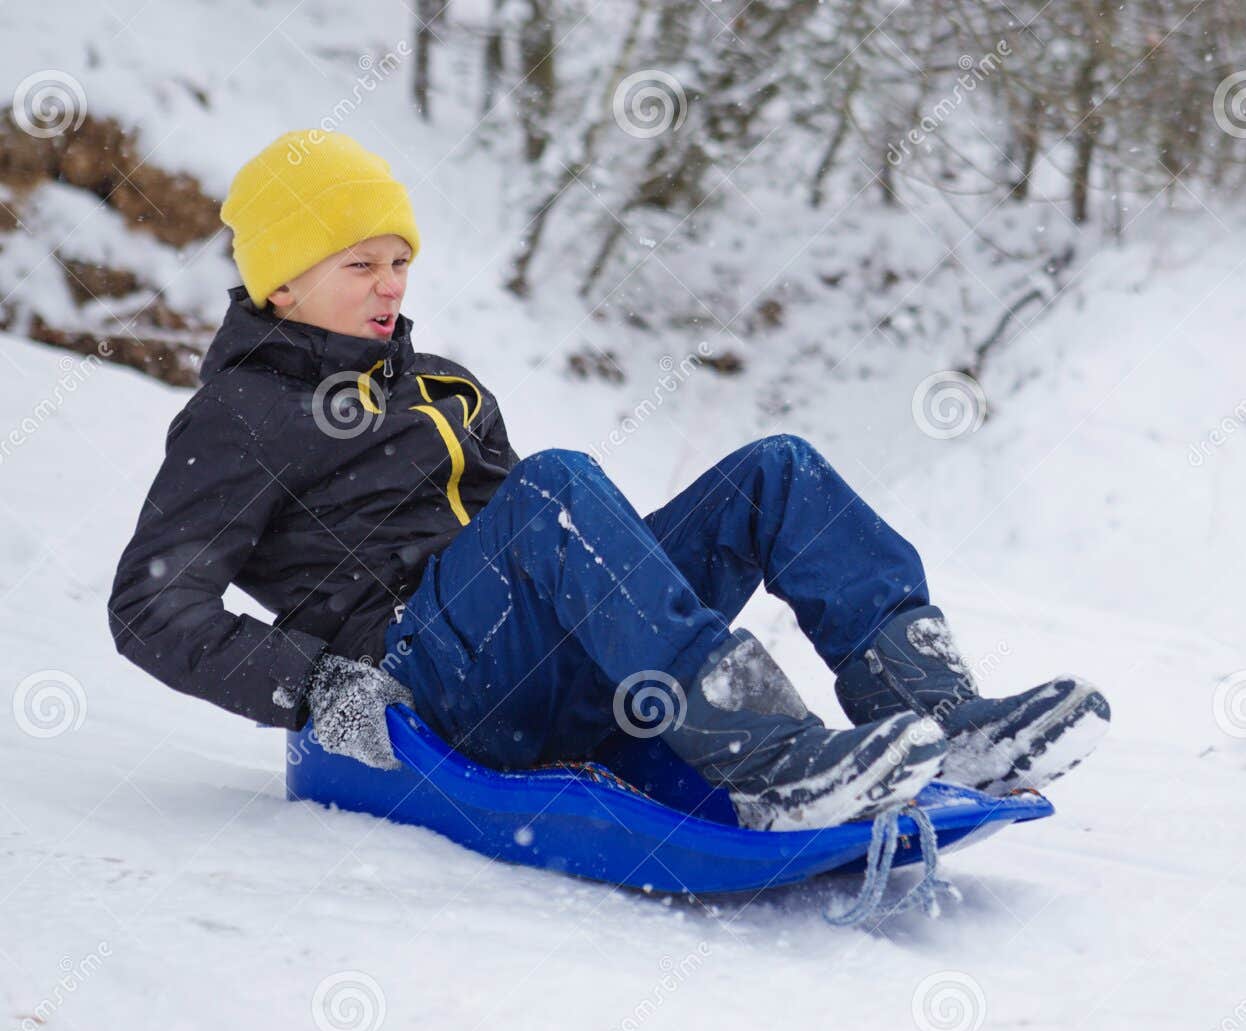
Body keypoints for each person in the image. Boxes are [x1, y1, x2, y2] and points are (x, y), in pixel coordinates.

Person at [107, 130, 1110, 832]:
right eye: (359, 263)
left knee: (777, 472)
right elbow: (152, 603)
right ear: (282, 280)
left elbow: (533, 549)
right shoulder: (241, 414)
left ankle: (942, 712)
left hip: (536, 660)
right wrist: (316, 686)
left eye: (400, 259)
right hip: (430, 684)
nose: (391, 284)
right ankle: (767, 754)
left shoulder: (444, 387)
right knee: (557, 484)